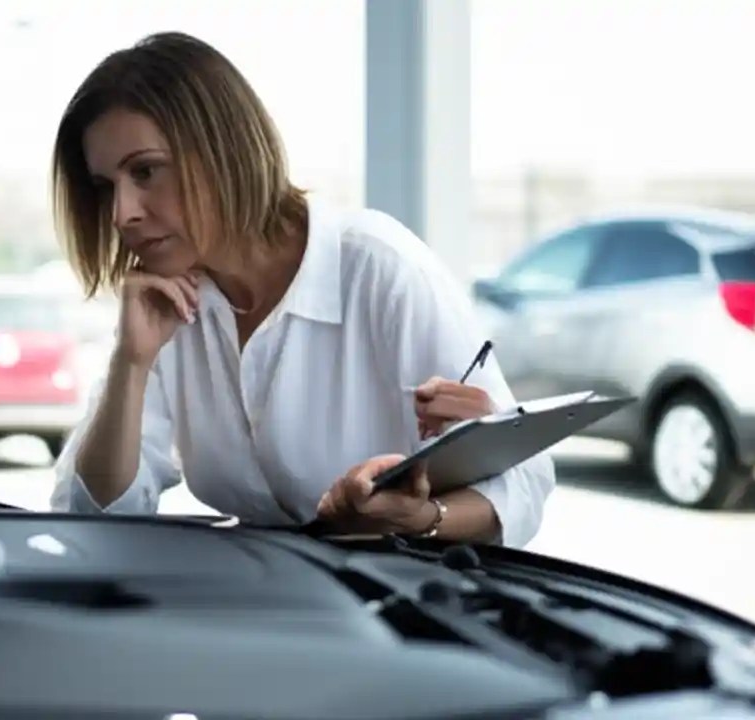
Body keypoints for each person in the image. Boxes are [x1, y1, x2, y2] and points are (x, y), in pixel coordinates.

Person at [46, 31, 555, 548]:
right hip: (273, 603)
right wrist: (130, 365)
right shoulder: (166, 306)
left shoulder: (376, 266)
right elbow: (92, 517)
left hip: (406, 595)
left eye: (146, 171)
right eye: (106, 186)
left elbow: (524, 484)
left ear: (224, 150)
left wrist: (421, 518)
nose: (122, 213)